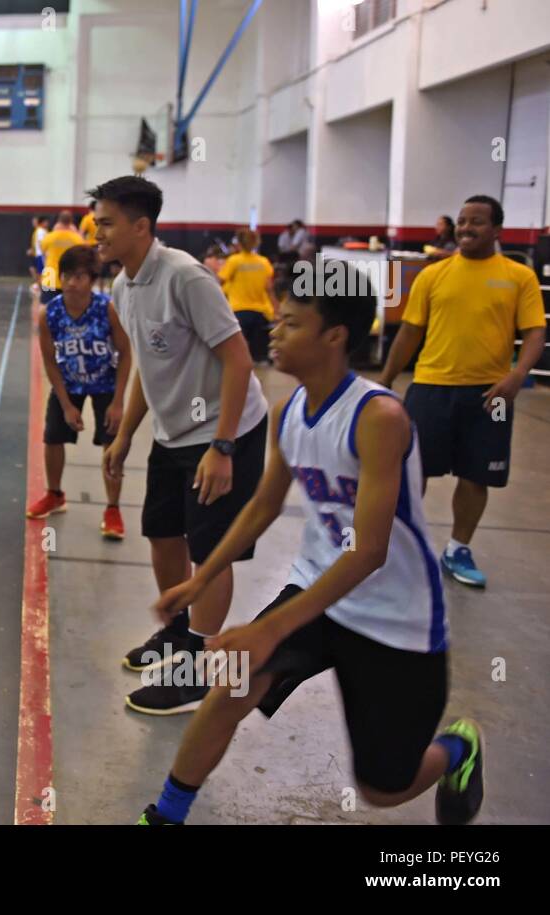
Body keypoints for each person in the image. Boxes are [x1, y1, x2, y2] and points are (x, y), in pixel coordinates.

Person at [136, 286, 483, 827]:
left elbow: (368, 551)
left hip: (395, 616)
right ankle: (165, 817)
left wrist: (269, 629)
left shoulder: (378, 417)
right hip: (317, 589)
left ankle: (457, 750)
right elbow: (262, 508)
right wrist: (199, 582)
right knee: (231, 682)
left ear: (335, 335)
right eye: (277, 321)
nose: (275, 332)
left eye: (291, 324)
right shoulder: (289, 410)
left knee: (382, 789)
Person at [95, 175, 269, 716]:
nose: (95, 232)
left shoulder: (186, 278)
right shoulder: (124, 288)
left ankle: (198, 666)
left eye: (106, 223)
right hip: (172, 435)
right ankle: (178, 633)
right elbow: (149, 366)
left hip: (225, 429)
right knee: (163, 534)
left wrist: (223, 446)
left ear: (140, 226)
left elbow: (238, 359)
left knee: (210, 554)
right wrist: (125, 433)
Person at [378, 195, 546, 589]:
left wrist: (517, 375)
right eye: (462, 221)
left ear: (498, 230)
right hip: (431, 389)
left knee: (477, 476)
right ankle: (406, 545)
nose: (466, 228)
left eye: (477, 222)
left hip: (491, 395)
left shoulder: (518, 276)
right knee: (413, 471)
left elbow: (535, 331)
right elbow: (410, 332)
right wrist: (385, 379)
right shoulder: (433, 275)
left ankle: (457, 548)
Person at [28, 244, 132, 539]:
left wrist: (118, 400)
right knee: (52, 438)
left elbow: (126, 353)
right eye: (67, 276)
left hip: (106, 386)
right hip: (69, 383)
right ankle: (55, 494)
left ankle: (113, 508)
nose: (72, 283)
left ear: (91, 279)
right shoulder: (50, 313)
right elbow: (49, 359)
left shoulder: (107, 309)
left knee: (112, 447)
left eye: (79, 276)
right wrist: (65, 404)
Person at [216, 229, 277, 363]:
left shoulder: (234, 261)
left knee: (238, 355)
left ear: (239, 242)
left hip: (238, 311)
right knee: (259, 357)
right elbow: (269, 289)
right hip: (261, 312)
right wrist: (276, 310)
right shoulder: (264, 262)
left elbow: (218, 281)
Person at [38, 212, 85, 301]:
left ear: (58, 221)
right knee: (69, 307)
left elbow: (42, 252)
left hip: (50, 275)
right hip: (69, 277)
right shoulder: (77, 238)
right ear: (71, 222)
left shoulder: (49, 237)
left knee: (46, 306)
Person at [27, 216, 49, 287]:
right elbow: (40, 243)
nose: (47, 223)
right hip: (42, 255)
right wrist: (45, 254)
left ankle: (41, 288)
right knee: (42, 274)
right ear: (42, 222)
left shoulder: (42, 231)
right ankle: (40, 289)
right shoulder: (40, 231)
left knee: (42, 274)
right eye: (46, 222)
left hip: (41, 255)